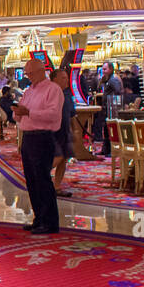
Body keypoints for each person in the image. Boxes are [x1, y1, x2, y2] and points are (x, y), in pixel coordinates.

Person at [14, 54, 64, 234]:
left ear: (41, 71)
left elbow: (53, 114)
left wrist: (29, 112)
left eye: (31, 74)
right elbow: (20, 113)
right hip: (28, 137)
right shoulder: (29, 91)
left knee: (42, 179)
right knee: (31, 180)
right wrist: (18, 112)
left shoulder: (52, 89)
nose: (28, 77)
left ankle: (50, 221)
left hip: (43, 137)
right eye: (27, 74)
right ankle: (39, 218)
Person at [52, 68, 77, 197]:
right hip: (53, 131)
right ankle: (39, 176)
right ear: (54, 79)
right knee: (58, 156)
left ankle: (56, 187)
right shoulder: (50, 93)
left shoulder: (67, 94)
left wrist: (74, 130)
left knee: (63, 159)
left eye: (67, 78)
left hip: (65, 130)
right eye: (63, 78)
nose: (66, 81)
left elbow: (72, 114)